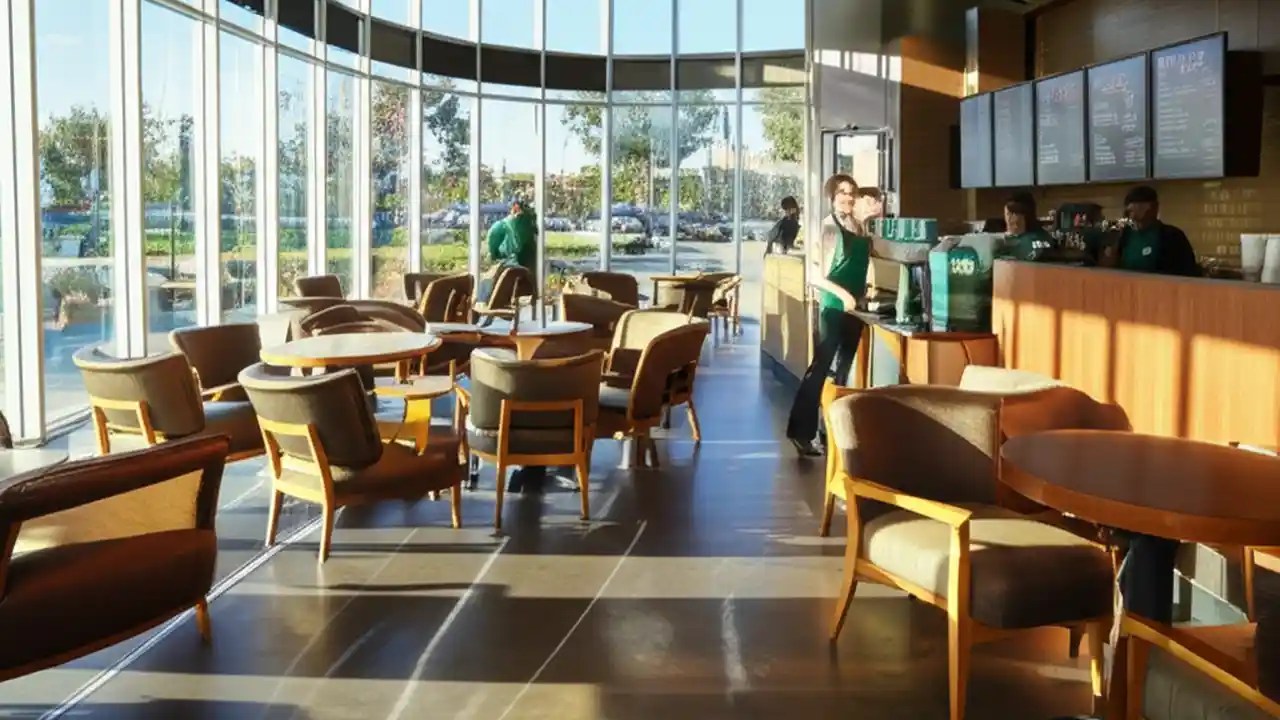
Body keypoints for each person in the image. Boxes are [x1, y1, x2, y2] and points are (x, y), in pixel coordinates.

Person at [786, 174, 870, 457]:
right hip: (834, 307)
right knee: (821, 369)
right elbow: (816, 276)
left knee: (842, 373)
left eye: (851, 192)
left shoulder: (858, 226)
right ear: (832, 197)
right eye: (842, 192)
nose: (848, 197)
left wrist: (862, 293)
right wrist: (844, 295)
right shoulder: (829, 229)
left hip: (854, 309)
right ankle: (801, 432)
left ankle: (832, 433)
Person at [1100, 185, 1201, 276]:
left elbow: (1187, 272)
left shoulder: (1172, 236)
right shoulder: (1123, 235)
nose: (1134, 216)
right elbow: (1108, 269)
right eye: (1130, 211)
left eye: (1142, 209)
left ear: (1155, 208)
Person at [478, 200, 538, 303]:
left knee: (487, 282)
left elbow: (492, 244)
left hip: (508, 266)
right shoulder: (530, 225)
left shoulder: (503, 225)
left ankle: (481, 302)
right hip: (529, 277)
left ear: (514, 209)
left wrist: (493, 256)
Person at [1000, 192, 1054, 261]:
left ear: (1026, 215)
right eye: (1007, 214)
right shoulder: (1006, 240)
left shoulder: (1035, 239)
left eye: (1013, 214)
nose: (1009, 219)